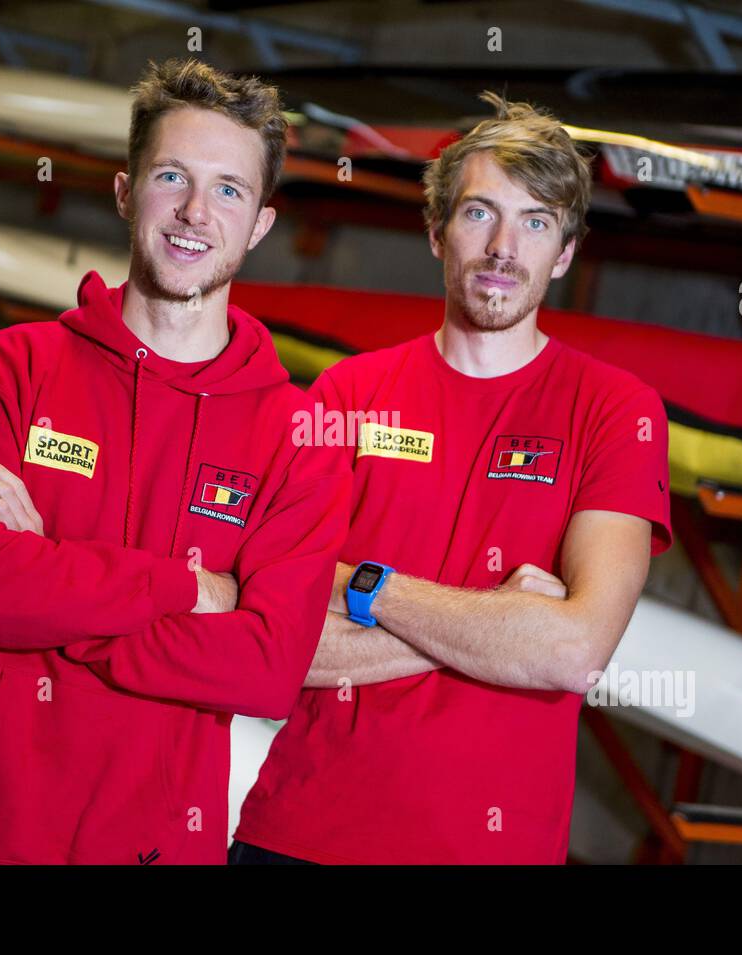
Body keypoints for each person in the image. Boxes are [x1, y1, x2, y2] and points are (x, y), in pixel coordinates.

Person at [0, 58, 348, 865]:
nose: (196, 212)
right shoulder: (13, 369)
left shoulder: (296, 434)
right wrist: (184, 591)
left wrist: (44, 578)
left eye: (229, 190)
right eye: (173, 176)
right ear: (128, 191)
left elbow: (267, 668)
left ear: (260, 225)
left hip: (150, 850)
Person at [231, 92, 674, 864]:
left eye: (536, 222)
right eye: (480, 214)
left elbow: (573, 653)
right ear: (437, 233)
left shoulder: (617, 412)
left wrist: (365, 590)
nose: (505, 245)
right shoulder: (346, 397)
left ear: (564, 253)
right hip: (297, 837)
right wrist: (501, 628)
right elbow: (279, 650)